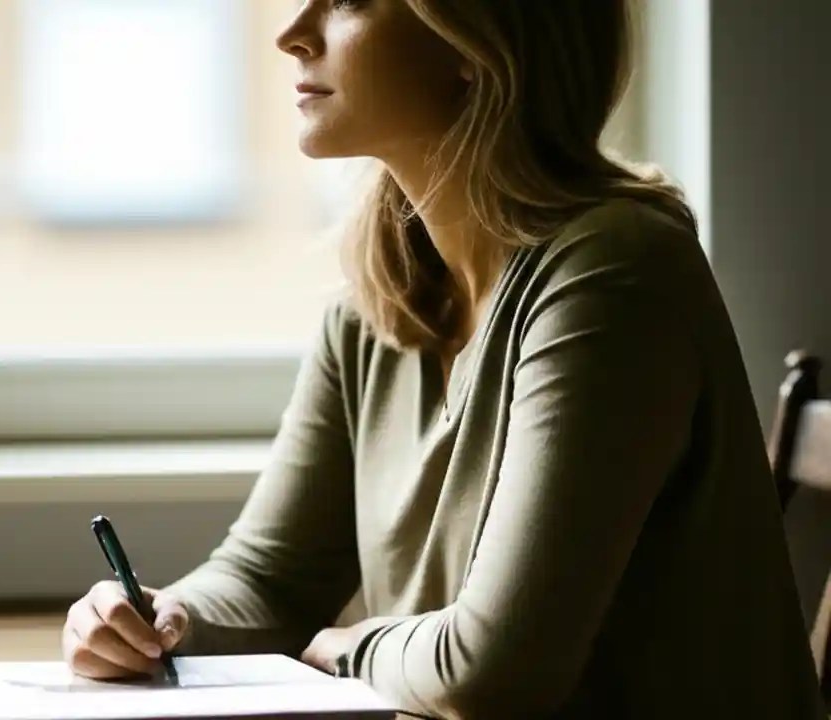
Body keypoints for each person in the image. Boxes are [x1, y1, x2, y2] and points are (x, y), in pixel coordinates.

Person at [62, 1, 823, 716]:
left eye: (351, 0)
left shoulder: (615, 272)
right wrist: (157, 621)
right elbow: (268, 582)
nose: (293, 30)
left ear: (475, 38)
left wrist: (350, 647)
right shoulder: (373, 305)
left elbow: (498, 668)